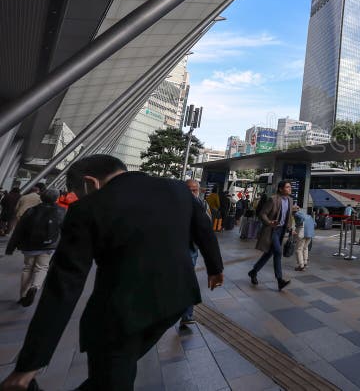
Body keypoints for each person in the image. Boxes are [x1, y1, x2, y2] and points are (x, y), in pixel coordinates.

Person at [0, 155, 224, 391]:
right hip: (176, 301)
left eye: (78, 191)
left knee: (112, 375)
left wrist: (28, 365)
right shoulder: (177, 189)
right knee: (112, 374)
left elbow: (64, 286)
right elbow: (203, 227)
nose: (79, 197)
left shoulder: (87, 209)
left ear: (90, 182)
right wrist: (215, 268)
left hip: (119, 317)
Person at [5, 189, 64, 307]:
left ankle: (23, 296)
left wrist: (11, 247)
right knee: (41, 268)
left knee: (27, 268)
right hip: (49, 245)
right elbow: (65, 230)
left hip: (30, 245)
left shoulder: (31, 211)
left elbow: (19, 230)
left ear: (41, 197)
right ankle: (34, 287)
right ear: (56, 198)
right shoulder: (61, 211)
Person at [247, 180, 297, 291]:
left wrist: (290, 229)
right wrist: (269, 222)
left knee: (268, 254)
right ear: (280, 189)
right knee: (278, 252)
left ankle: (253, 272)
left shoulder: (290, 200)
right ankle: (280, 280)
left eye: (290, 187)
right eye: (287, 187)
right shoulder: (273, 199)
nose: (290, 189)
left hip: (281, 231)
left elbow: (287, 217)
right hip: (271, 230)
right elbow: (262, 213)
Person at [181, 179, 213, 328]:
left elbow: (207, 227)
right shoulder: (174, 205)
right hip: (173, 248)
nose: (192, 193)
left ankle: (187, 315)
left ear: (199, 191)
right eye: (188, 189)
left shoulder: (203, 205)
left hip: (191, 249)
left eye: (194, 190)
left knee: (188, 280)